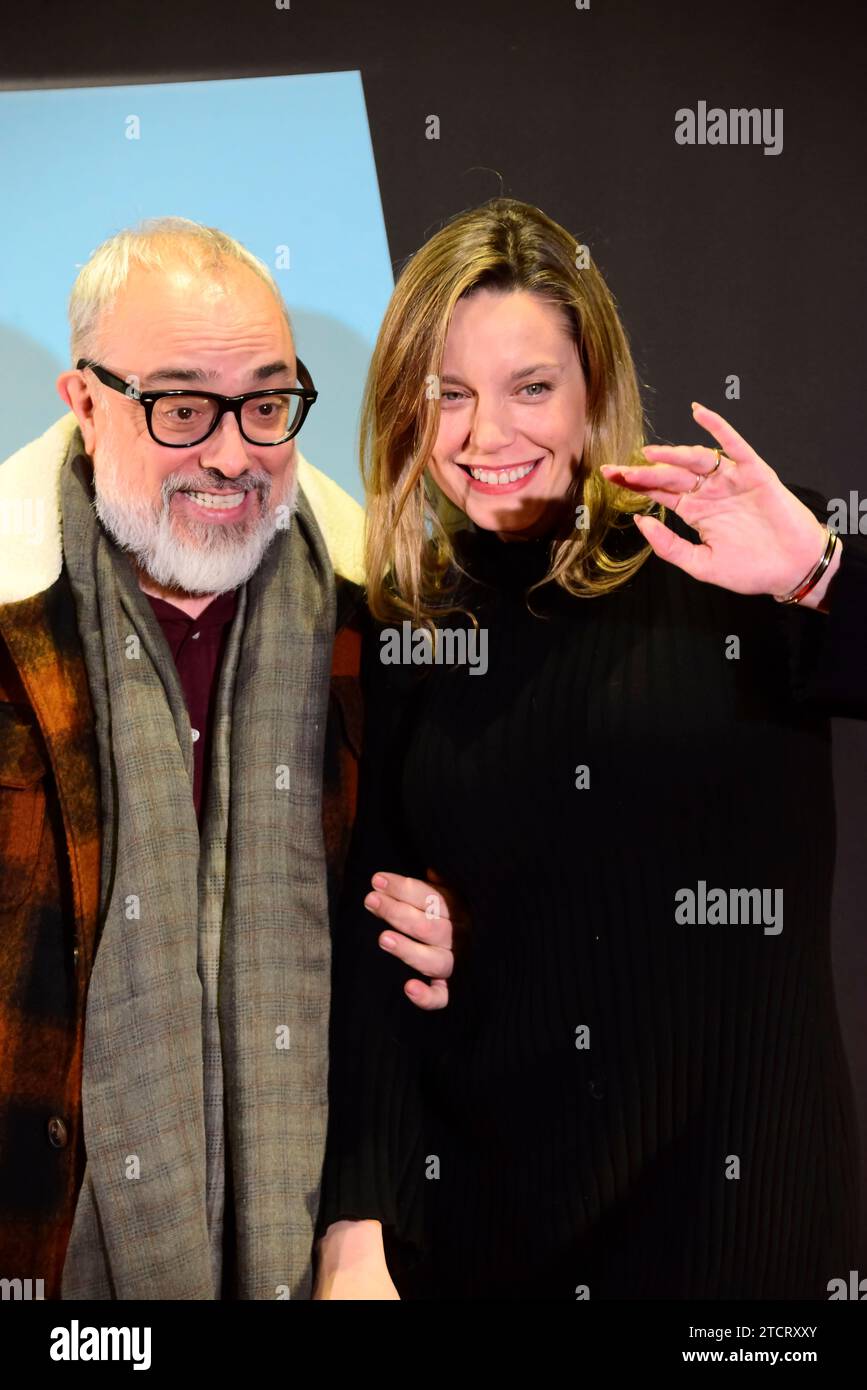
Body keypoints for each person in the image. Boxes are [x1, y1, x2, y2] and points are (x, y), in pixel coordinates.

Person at [314, 197, 867, 1300]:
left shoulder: (737, 549)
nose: (487, 437)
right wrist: (357, 1238)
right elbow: (377, 954)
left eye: (531, 388)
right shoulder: (408, 622)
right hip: (492, 1236)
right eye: (449, 395)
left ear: (596, 387)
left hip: (743, 1233)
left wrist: (824, 580)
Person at [0, 217, 453, 1300]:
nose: (232, 451)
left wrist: (458, 925)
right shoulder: (14, 621)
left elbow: (429, 937)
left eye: (265, 400)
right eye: (179, 404)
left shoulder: (380, 622)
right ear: (85, 401)